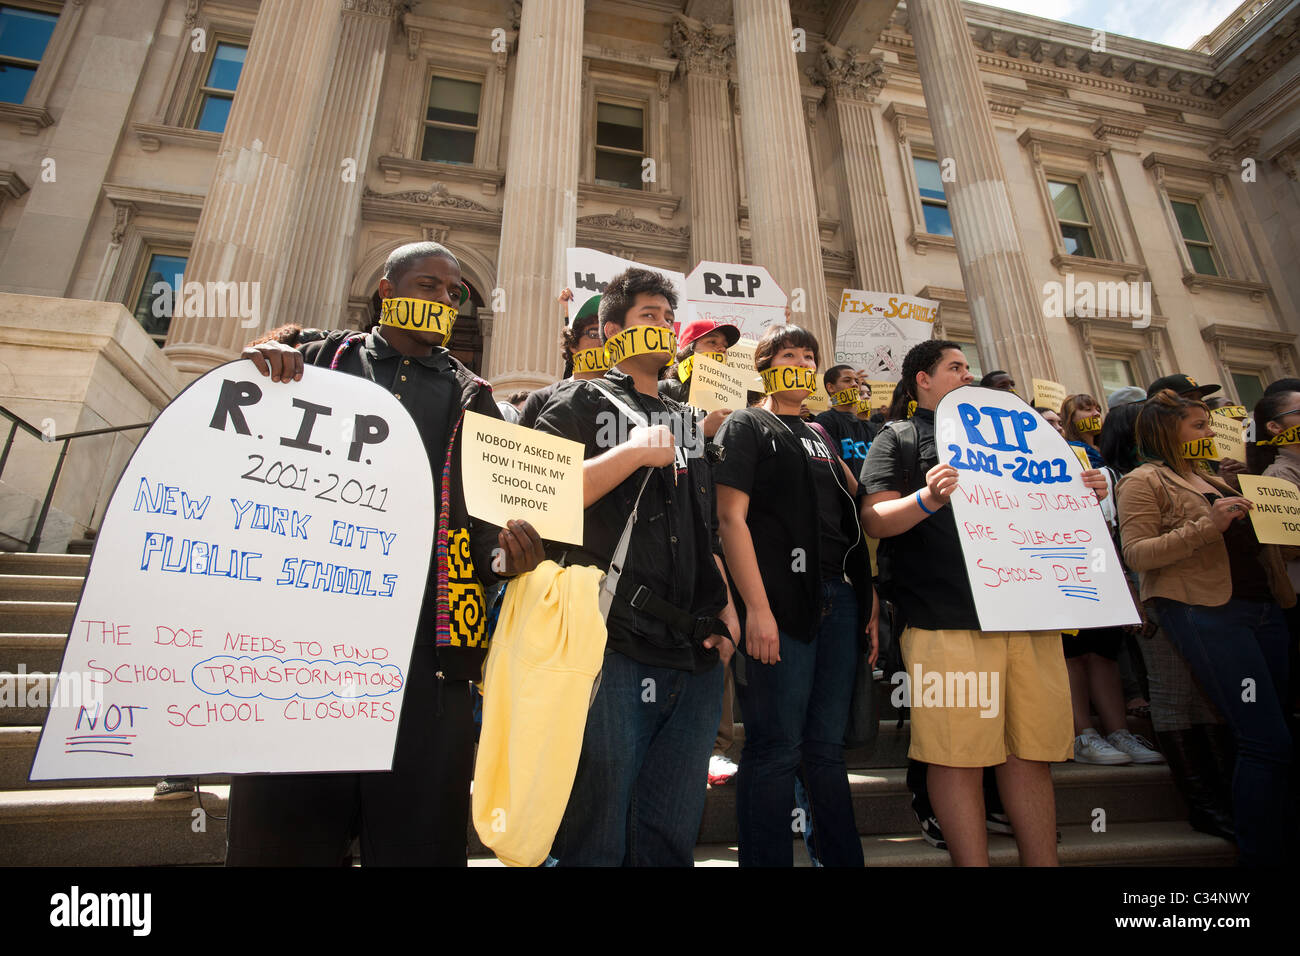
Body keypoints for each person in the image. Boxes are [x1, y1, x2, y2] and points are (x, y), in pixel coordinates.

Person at [226, 240, 545, 866]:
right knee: (283, 835)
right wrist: (256, 365)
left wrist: (510, 558)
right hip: (301, 647)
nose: (444, 300)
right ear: (387, 289)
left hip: (427, 654)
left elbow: (483, 529)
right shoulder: (314, 361)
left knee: (418, 838)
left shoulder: (472, 396)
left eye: (454, 294)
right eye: (429, 285)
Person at [860, 340, 1109, 866]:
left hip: (1029, 615)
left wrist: (1078, 496)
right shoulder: (899, 436)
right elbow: (876, 520)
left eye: (969, 367)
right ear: (921, 380)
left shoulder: (1026, 442)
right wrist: (927, 498)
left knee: (1032, 754)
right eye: (955, 367)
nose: (967, 375)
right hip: (946, 621)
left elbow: (1046, 517)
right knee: (956, 758)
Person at [534, 266, 740, 866]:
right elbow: (538, 501)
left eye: (667, 319)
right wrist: (628, 453)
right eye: (649, 316)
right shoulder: (572, 400)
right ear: (612, 329)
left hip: (696, 650)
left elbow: (704, 524)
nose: (663, 327)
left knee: (669, 832)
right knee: (597, 828)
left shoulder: (687, 418)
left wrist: (724, 608)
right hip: (613, 646)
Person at [713, 324, 878, 867]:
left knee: (825, 753)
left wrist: (868, 599)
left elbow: (856, 516)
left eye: (810, 357)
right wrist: (756, 610)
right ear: (764, 366)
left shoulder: (823, 435)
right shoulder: (747, 424)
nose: (803, 365)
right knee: (776, 747)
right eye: (790, 355)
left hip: (839, 599)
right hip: (780, 603)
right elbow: (730, 519)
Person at [1117, 389, 1295, 866]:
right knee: (1265, 739)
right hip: (1206, 613)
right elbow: (1137, 554)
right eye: (1198, 426)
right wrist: (1207, 526)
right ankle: (1261, 851)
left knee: (1278, 732)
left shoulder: (1220, 478)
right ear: (1165, 432)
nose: (1210, 433)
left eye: (1209, 426)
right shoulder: (1143, 480)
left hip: (1263, 609)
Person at [518, 290, 609, 429]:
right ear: (573, 344)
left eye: (607, 334)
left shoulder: (628, 402)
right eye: (594, 333)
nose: (602, 340)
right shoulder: (541, 400)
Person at [659, 318, 740, 439]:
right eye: (712, 342)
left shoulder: (736, 394)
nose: (722, 349)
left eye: (725, 346)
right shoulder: (665, 389)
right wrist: (700, 429)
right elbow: (656, 442)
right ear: (689, 349)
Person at [815, 364, 877, 478]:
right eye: (847, 380)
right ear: (830, 387)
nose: (854, 384)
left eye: (856, 381)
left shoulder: (870, 427)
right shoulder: (825, 421)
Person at [1061, 393, 1105, 467]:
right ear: (1071, 417)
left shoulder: (1109, 449)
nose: (1097, 414)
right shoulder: (1069, 451)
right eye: (1088, 409)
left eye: (1098, 410)